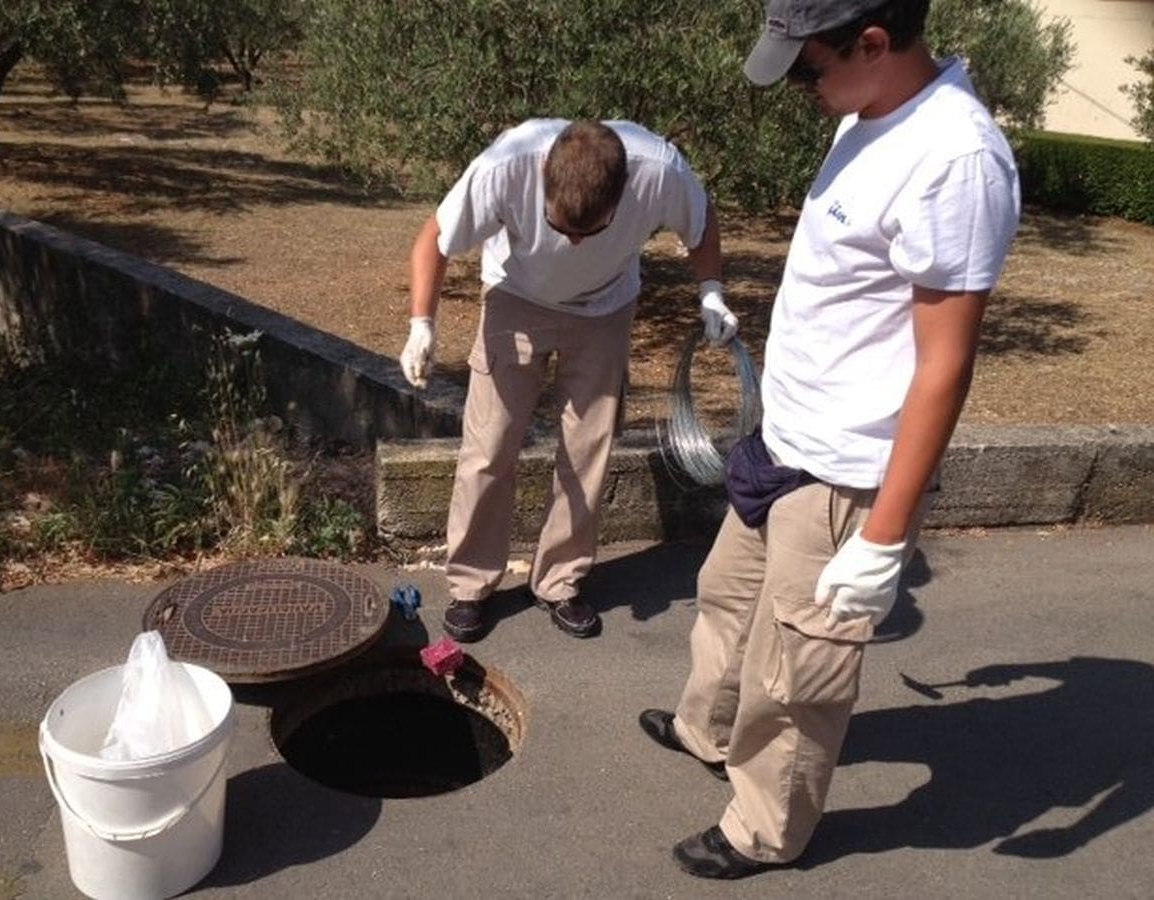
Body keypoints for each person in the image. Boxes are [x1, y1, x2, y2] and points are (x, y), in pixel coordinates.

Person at [638, 0, 1021, 879]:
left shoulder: (955, 160)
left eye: (808, 68)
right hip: (787, 441)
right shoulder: (867, 110)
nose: (803, 88)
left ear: (875, 43)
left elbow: (944, 367)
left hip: (847, 474)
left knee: (796, 671)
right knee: (727, 601)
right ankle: (711, 732)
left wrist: (884, 536)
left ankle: (766, 828)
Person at [399, 119, 737, 642]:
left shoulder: (660, 169)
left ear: (624, 193)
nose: (575, 243)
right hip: (515, 296)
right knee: (489, 446)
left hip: (606, 307)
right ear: (543, 178)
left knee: (588, 449)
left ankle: (559, 581)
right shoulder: (505, 167)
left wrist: (711, 291)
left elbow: (701, 221)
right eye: (562, 229)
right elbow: (435, 240)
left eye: (591, 231)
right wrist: (422, 324)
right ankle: (471, 585)